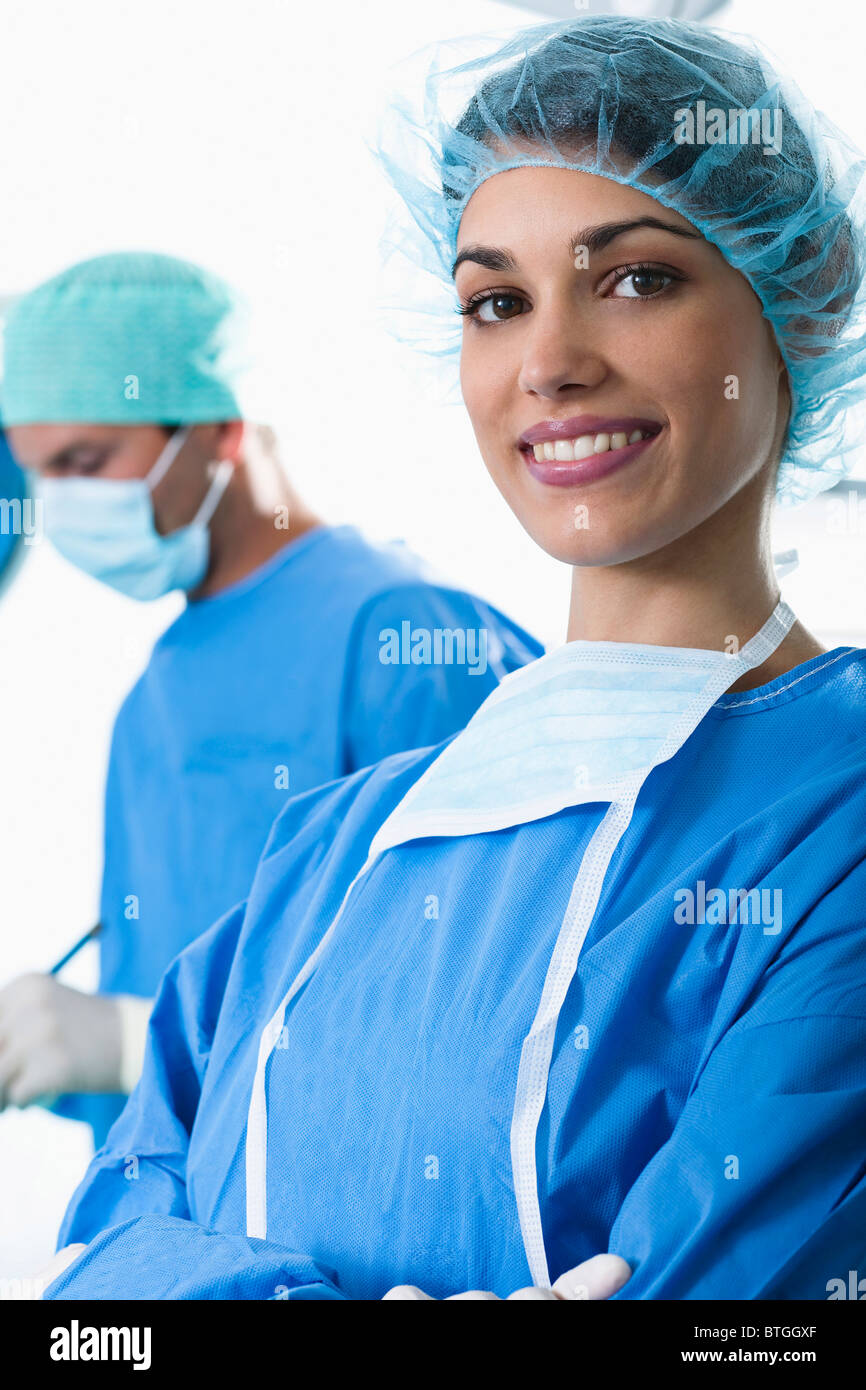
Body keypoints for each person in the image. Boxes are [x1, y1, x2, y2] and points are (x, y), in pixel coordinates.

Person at [40, 16, 866, 1300]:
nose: (548, 363)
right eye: (494, 302)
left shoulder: (834, 819)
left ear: (796, 297)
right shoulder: (325, 849)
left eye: (636, 278)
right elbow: (96, 1285)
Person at [0, 251, 542, 1146]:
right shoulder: (155, 693)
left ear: (218, 427)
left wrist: (143, 1042)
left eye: (87, 459)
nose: (62, 508)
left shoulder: (405, 635)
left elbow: (492, 1004)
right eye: (41, 477)